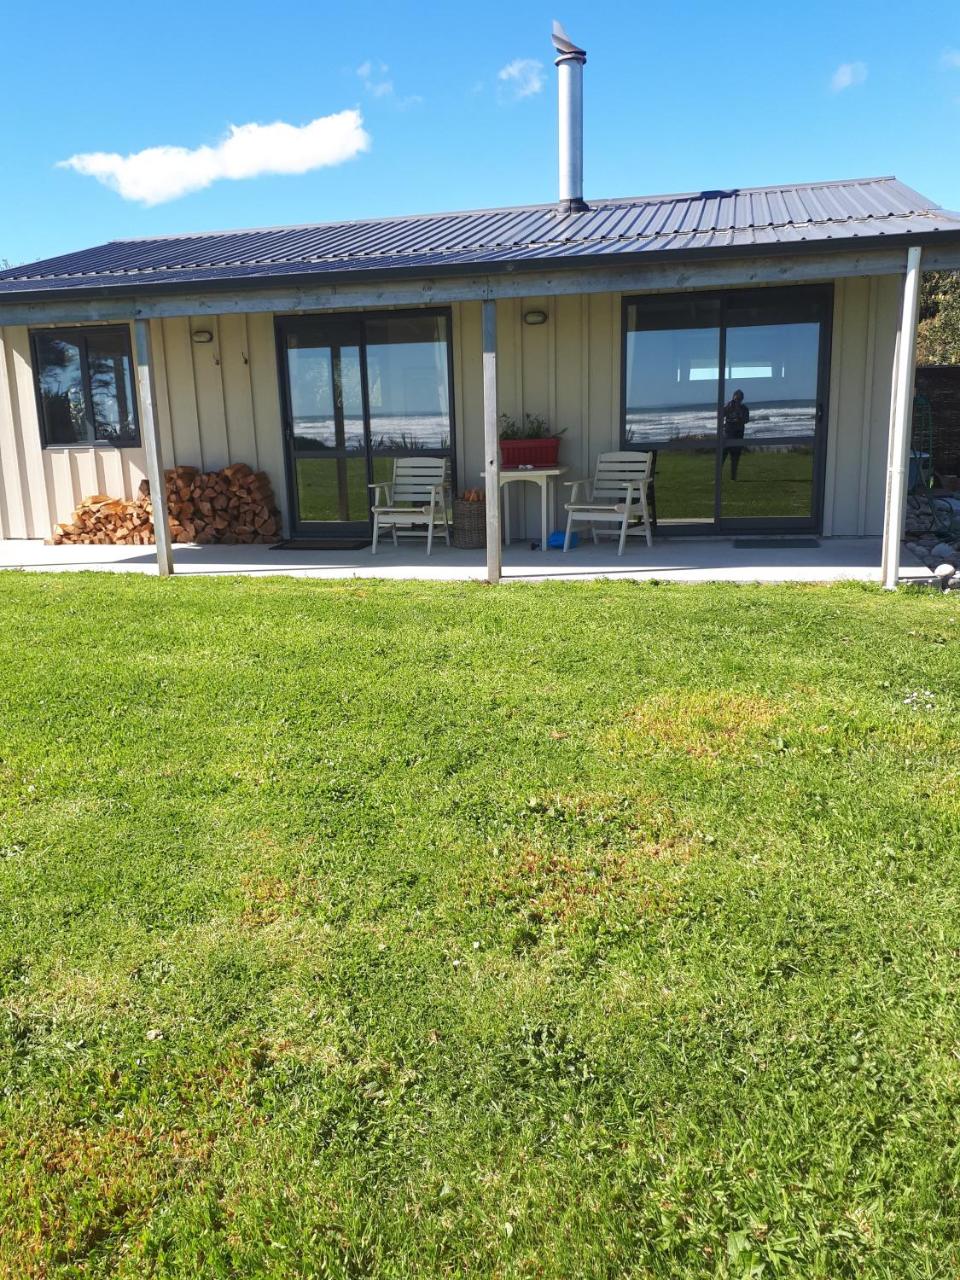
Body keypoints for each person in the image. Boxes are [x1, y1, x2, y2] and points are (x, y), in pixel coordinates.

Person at [722, 389, 749, 480]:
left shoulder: (744, 408)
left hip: (738, 434)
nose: (737, 401)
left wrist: (740, 414)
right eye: (736, 399)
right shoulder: (728, 407)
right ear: (733, 398)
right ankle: (718, 477)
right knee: (722, 457)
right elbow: (720, 415)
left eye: (740, 399)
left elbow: (746, 420)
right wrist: (727, 407)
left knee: (735, 458)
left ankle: (733, 477)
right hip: (727, 434)